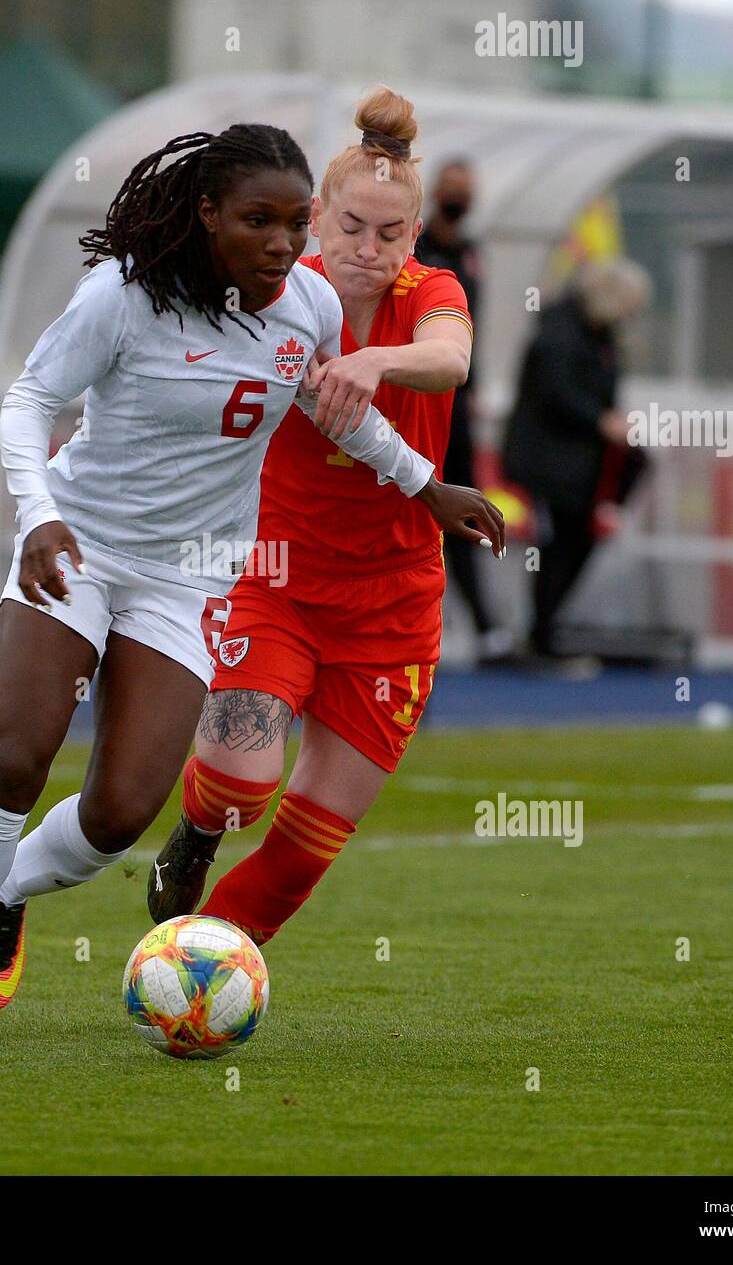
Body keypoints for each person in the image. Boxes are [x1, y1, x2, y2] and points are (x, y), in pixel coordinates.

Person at [0, 120, 505, 1042]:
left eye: (297, 224)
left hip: (186, 581)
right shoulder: (123, 296)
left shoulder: (307, 307)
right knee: (18, 758)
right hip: (82, 548)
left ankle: (8, 894)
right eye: (264, 221)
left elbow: (332, 414)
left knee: (120, 812)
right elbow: (29, 400)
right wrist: (38, 516)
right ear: (209, 213)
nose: (286, 245)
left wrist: (428, 486)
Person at [142, 87, 504, 945]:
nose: (367, 250)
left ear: (414, 238)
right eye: (348, 228)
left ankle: (195, 974)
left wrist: (375, 361)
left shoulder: (433, 294)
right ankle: (195, 832)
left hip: (393, 601)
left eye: (389, 234)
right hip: (274, 576)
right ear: (316, 218)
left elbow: (451, 360)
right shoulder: (281, 291)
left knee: (304, 854)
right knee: (238, 785)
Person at [502, 258, 651, 658]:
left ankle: (547, 627)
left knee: (576, 539)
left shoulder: (601, 336)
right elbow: (555, 393)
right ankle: (539, 632)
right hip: (546, 463)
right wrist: (601, 420)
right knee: (555, 543)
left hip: (578, 466)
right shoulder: (560, 333)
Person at [415, 160, 509, 662]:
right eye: (455, 191)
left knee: (461, 505)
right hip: (416, 401)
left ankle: (484, 626)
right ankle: (427, 622)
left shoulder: (471, 253)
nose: (460, 200)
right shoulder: (415, 245)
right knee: (416, 501)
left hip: (458, 405)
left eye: (466, 192)